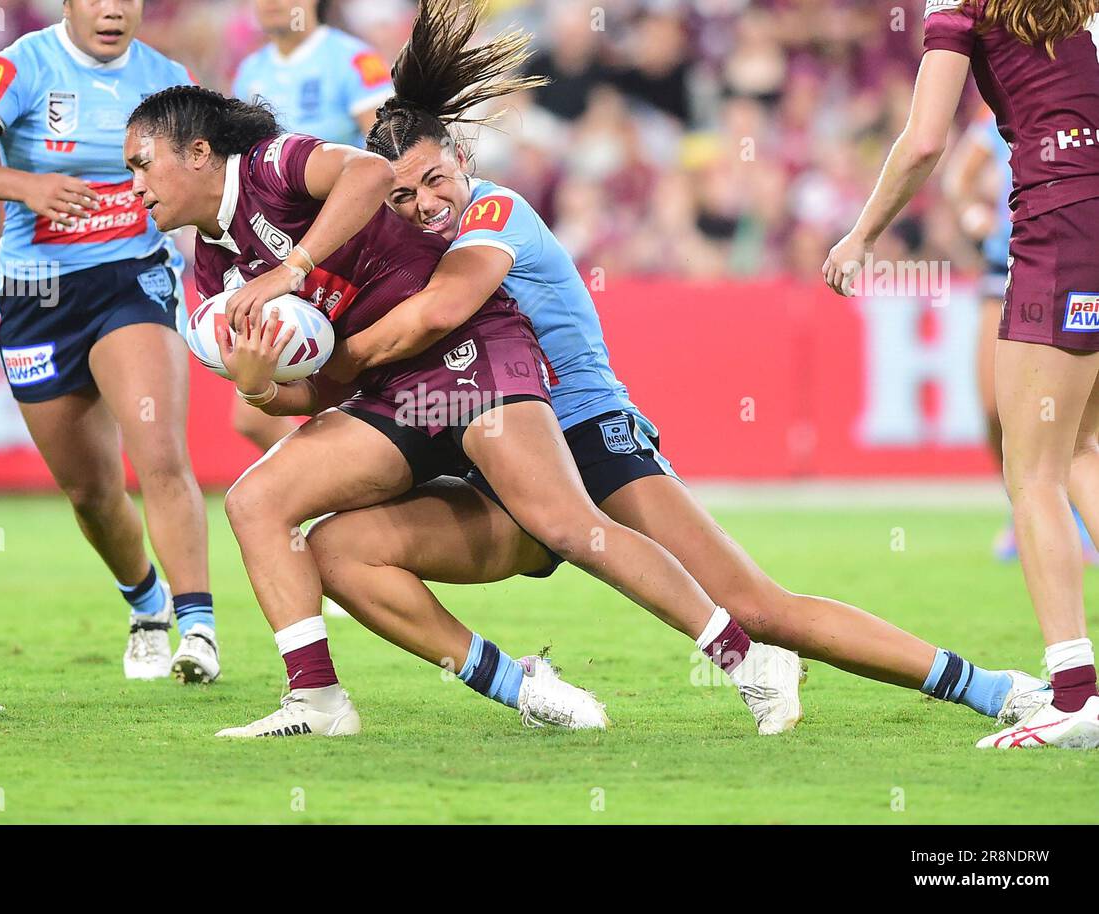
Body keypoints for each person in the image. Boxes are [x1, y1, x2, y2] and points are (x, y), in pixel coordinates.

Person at [286, 0, 1050, 733]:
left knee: (757, 607)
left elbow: (438, 315)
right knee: (340, 549)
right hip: (498, 462)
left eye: (433, 180)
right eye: (400, 196)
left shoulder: (495, 210)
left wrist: (330, 351)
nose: (423, 204)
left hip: (586, 431)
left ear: (463, 157)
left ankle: (993, 690)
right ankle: (522, 684)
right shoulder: (399, 251)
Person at [124, 79, 803, 740]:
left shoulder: (273, 166)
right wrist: (257, 387)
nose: (135, 185)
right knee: (257, 502)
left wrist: (292, 267)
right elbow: (321, 388)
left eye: (140, 162)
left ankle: (748, 659)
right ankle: (343, 696)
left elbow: (365, 173)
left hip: (470, 348)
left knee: (566, 524)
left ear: (198, 153)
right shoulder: (213, 274)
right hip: (391, 385)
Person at [0, 0, 220, 684]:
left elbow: (214, 178)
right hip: (38, 298)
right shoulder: (22, 66)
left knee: (161, 454)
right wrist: (26, 186)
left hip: (130, 278)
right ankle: (146, 604)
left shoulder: (169, 80)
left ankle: (198, 627)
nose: (112, 11)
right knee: (91, 492)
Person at [824, 0, 1099, 748]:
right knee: (1078, 451)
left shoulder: (963, 5)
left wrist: (860, 236)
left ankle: (1075, 695)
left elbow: (922, 142)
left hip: (1061, 223)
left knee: (1033, 468)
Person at [228, 0, 395, 454]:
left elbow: (388, 148)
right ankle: (342, 485)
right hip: (278, 249)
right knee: (254, 411)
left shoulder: (353, 60)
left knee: (359, 386)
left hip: (349, 249)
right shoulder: (250, 70)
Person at [944, 106, 1099, 564]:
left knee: (1075, 423)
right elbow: (958, 178)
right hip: (1006, 265)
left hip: (1069, 263)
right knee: (995, 406)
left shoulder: (1075, 96)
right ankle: (1025, 509)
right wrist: (974, 215)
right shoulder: (1000, 105)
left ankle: (1064, 509)